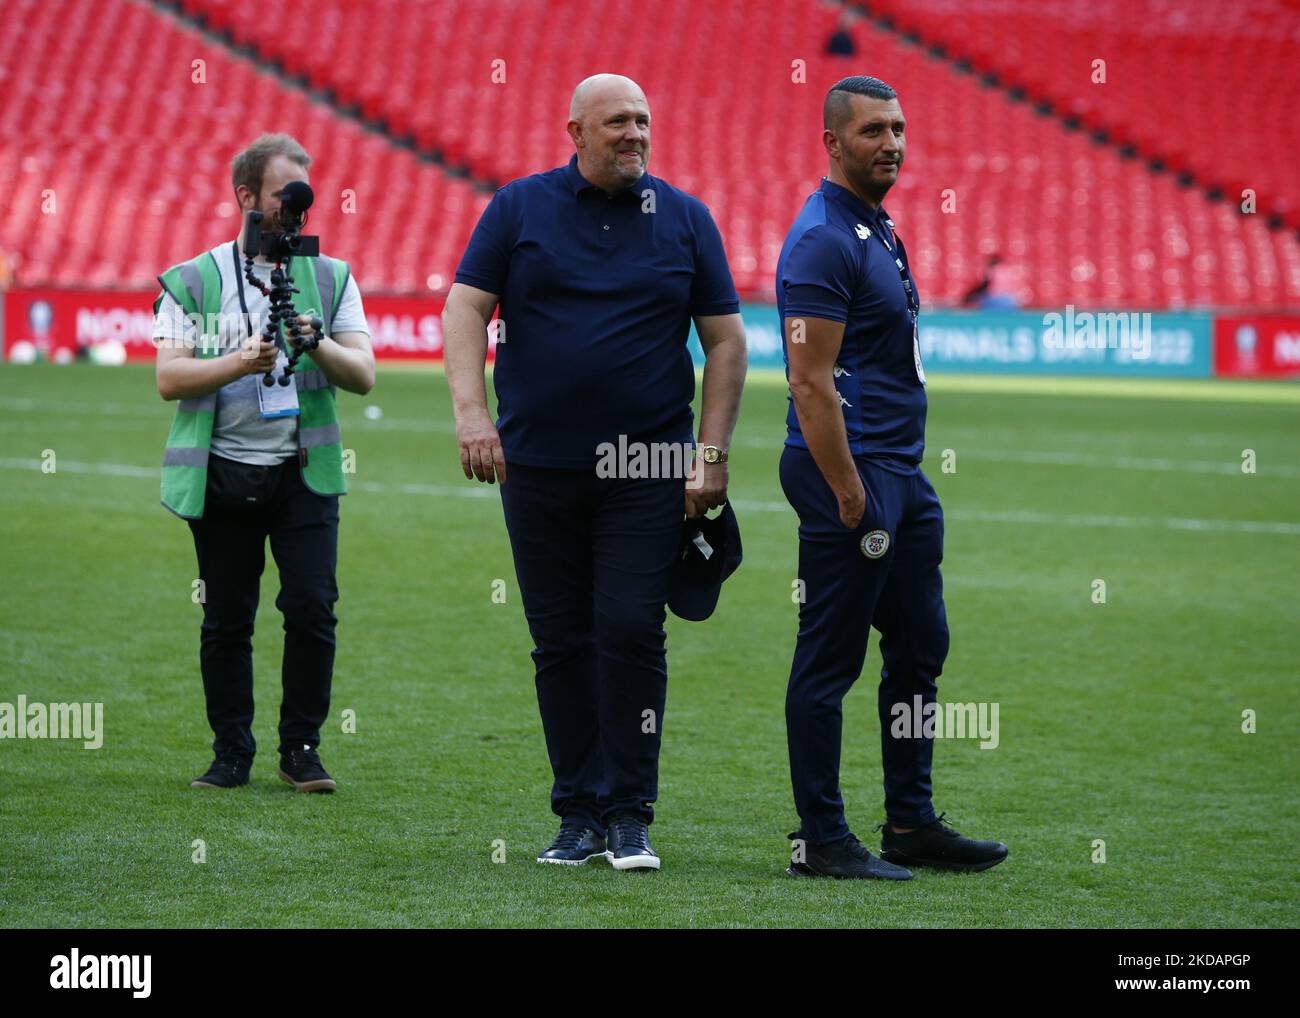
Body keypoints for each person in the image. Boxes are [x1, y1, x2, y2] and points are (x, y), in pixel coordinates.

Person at [442, 74, 747, 871]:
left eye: (644, 120)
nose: (635, 134)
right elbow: (466, 307)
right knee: (560, 642)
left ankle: (631, 813)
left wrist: (710, 455)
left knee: (630, 630)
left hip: (648, 467)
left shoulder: (685, 218)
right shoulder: (519, 207)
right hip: (537, 463)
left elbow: (726, 342)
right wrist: (472, 414)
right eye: (617, 122)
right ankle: (577, 811)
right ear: (575, 130)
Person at [776, 77, 1008, 878]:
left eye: (900, 129)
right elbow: (810, 381)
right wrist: (847, 489)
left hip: (900, 471)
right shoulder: (821, 239)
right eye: (875, 130)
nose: (893, 144)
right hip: (854, 472)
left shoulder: (875, 228)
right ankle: (823, 840)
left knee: (918, 647)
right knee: (830, 658)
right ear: (833, 143)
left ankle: (910, 824)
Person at [152, 133, 375, 794]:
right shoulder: (195, 278)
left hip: (303, 474)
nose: (296, 205)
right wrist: (238, 362)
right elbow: (169, 378)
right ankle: (231, 752)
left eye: (302, 192)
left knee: (312, 606)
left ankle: (300, 749)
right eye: (284, 192)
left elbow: (362, 374)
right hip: (221, 472)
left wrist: (319, 345)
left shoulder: (330, 277)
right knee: (226, 616)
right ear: (246, 196)